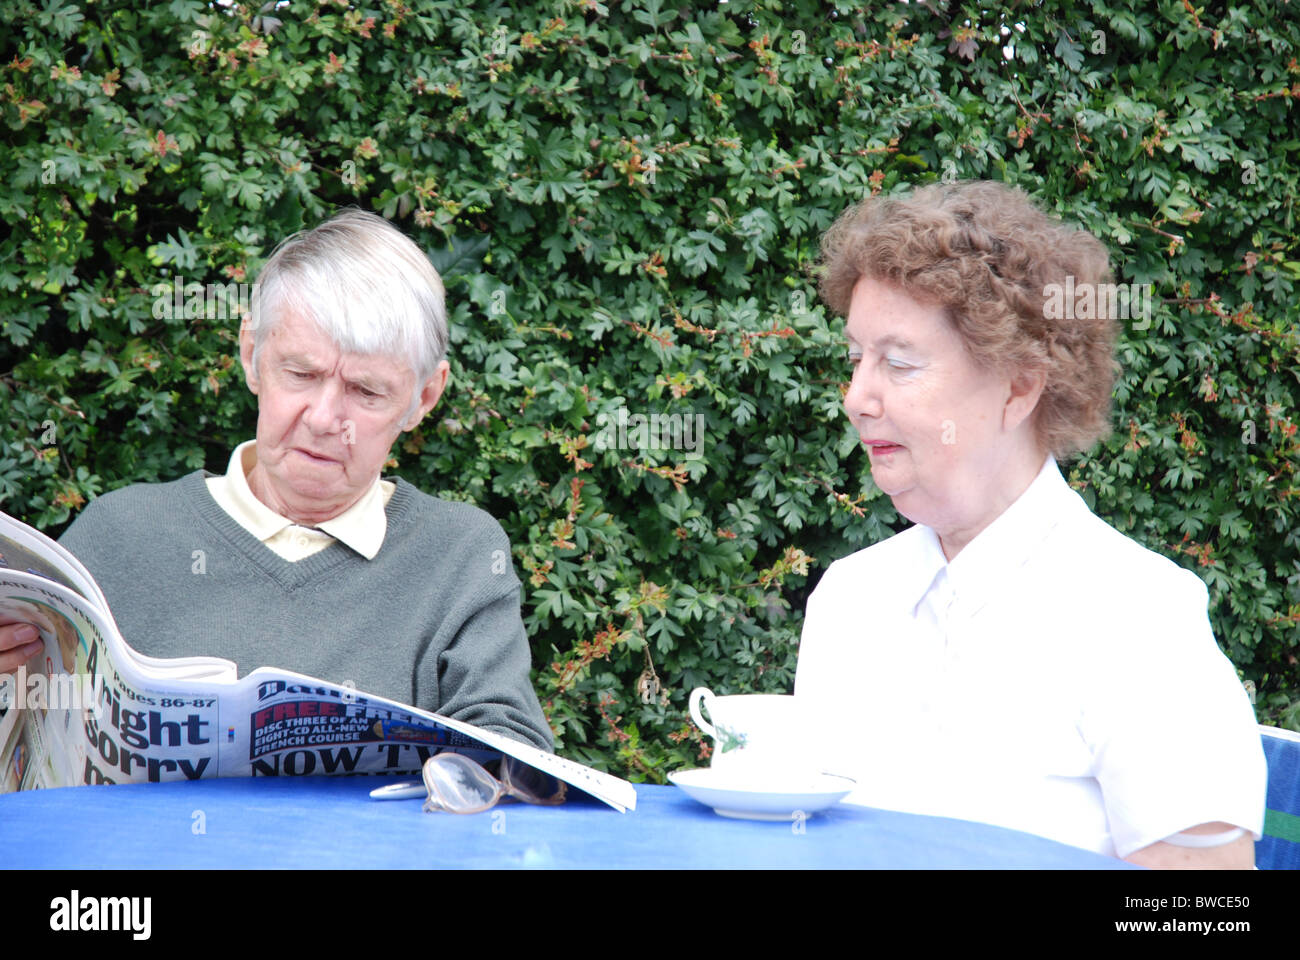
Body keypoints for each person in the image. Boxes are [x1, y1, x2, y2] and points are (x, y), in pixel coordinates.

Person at [796, 180, 1265, 868]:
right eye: (855, 359)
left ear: (1020, 385)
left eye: (898, 362)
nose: (857, 396)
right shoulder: (849, 598)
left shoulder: (1138, 618)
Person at [0, 209, 553, 751]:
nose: (323, 418)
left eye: (366, 391)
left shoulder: (458, 554)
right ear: (251, 354)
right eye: (301, 374)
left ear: (423, 398)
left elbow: (513, 748)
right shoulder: (120, 535)